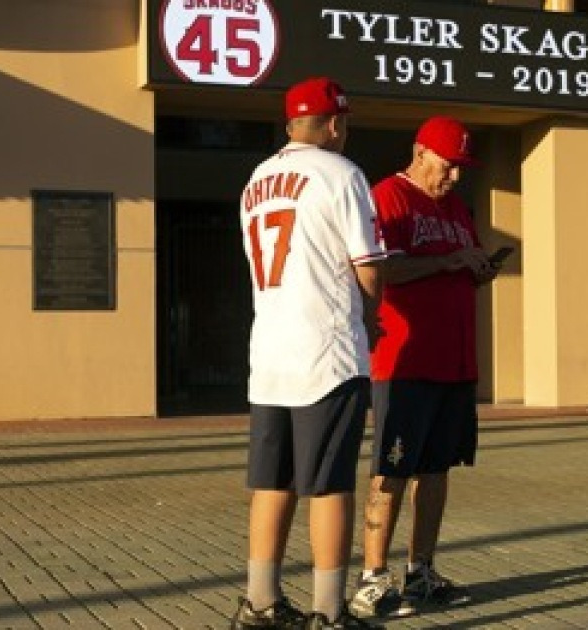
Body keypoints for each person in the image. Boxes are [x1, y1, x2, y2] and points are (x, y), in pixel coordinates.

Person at [232, 76, 387, 630]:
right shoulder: (342, 173)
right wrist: (375, 316)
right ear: (334, 123)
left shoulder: (258, 177)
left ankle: (260, 601)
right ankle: (327, 612)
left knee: (271, 482)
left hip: (268, 351)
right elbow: (367, 266)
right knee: (329, 485)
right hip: (325, 352)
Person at [349, 116, 498, 620]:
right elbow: (379, 268)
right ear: (419, 152)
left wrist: (476, 267)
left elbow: (456, 265)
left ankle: (421, 573)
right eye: (448, 165)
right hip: (405, 362)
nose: (455, 176)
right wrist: (447, 261)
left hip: (455, 363)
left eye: (461, 167)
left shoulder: (456, 207)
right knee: (390, 471)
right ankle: (372, 579)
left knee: (436, 471)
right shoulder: (388, 196)